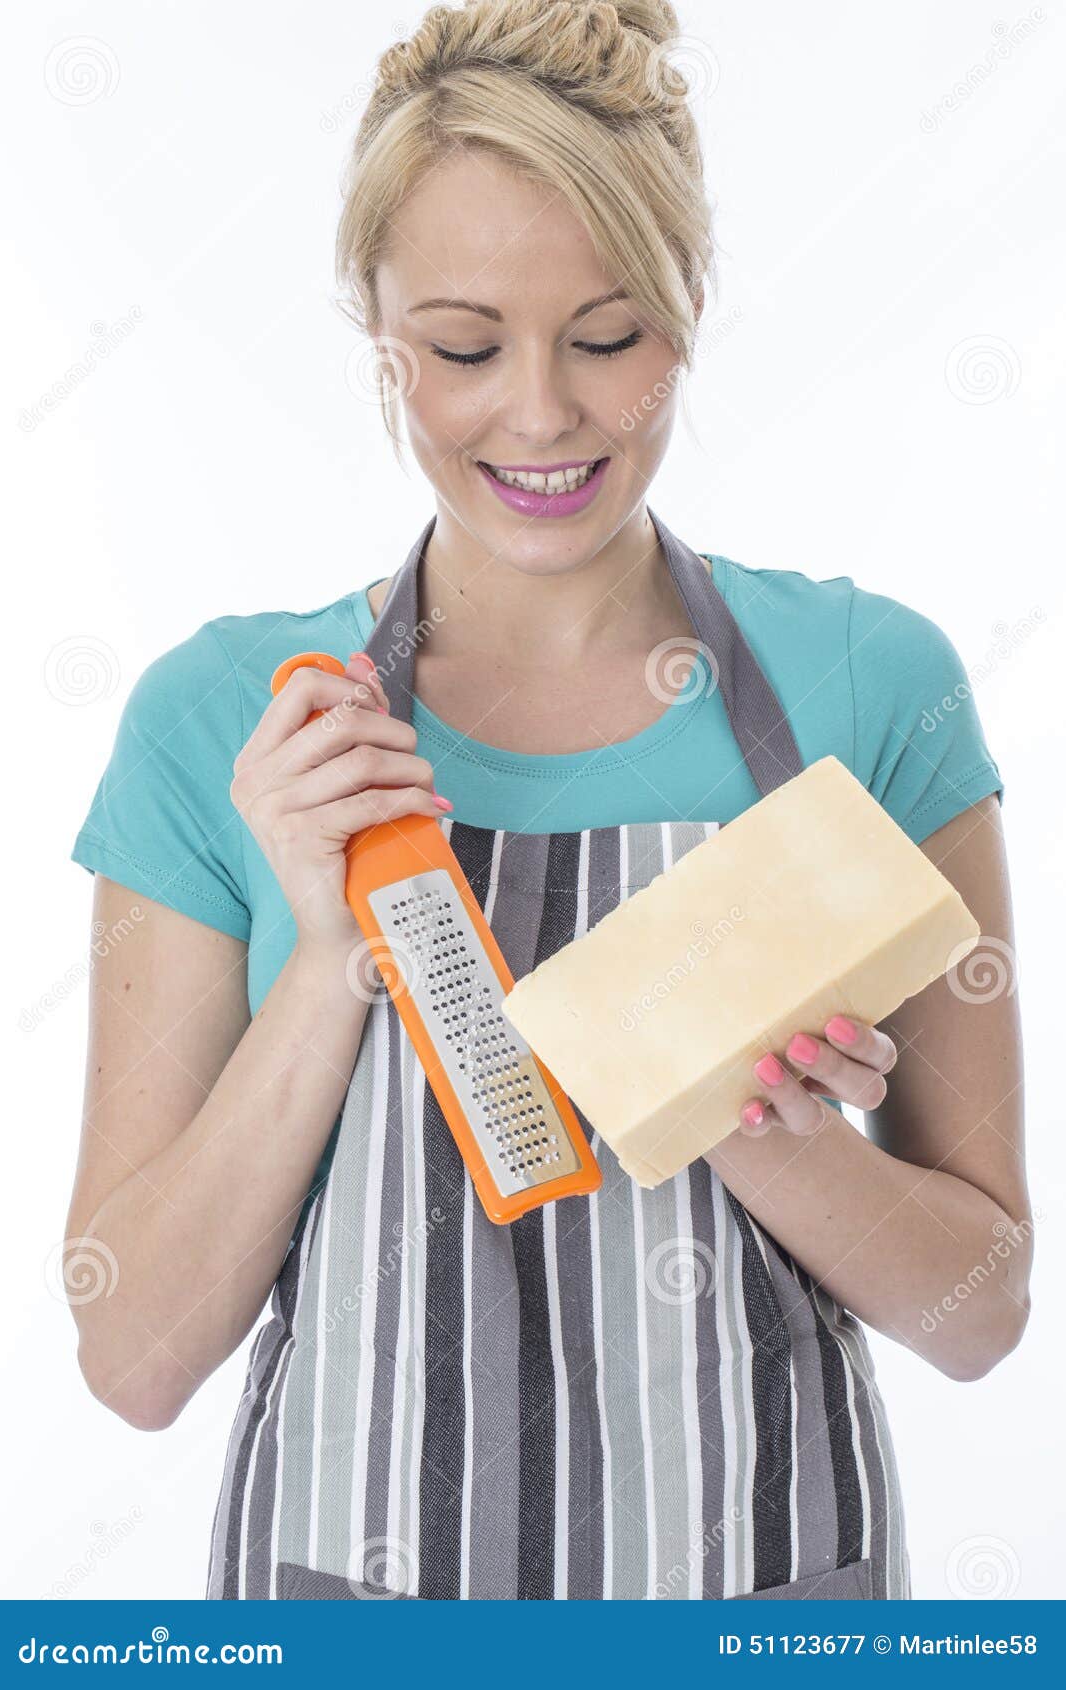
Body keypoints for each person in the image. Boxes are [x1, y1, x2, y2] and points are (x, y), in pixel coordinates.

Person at [66, 0, 1029, 1601]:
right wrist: (329, 954)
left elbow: (982, 1313)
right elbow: (134, 1358)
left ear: (692, 308)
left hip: (771, 1612)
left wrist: (766, 1125)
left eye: (608, 335)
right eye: (463, 347)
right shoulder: (231, 725)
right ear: (376, 329)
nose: (540, 414)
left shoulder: (872, 686)